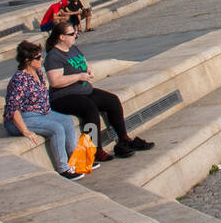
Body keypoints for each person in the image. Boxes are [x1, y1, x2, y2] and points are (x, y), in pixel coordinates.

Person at [44, 24, 154, 161]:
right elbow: (55, 81)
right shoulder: (54, 56)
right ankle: (95, 150)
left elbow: (83, 62)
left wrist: (88, 70)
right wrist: (78, 77)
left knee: (112, 100)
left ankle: (123, 138)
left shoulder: (73, 48)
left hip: (84, 90)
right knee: (90, 109)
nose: (75, 35)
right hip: (63, 97)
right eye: (72, 34)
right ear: (61, 37)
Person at [4, 40, 86, 180]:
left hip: (42, 113)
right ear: (27, 60)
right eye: (37, 57)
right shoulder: (19, 80)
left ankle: (75, 160)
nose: (41, 59)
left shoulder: (38, 72)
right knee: (56, 129)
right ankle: (64, 169)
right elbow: (13, 109)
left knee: (67, 121)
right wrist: (25, 131)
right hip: (23, 118)